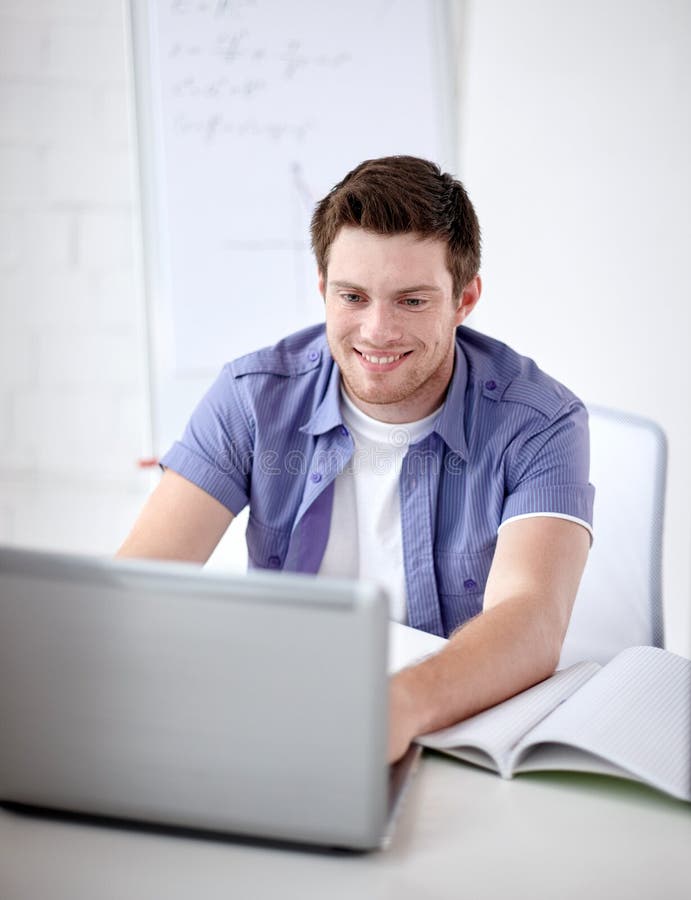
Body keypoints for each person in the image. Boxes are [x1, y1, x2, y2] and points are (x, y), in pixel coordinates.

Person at [117, 155, 593, 763]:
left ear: (465, 298)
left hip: (449, 725)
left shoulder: (541, 421)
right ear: (322, 290)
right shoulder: (252, 396)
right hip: (281, 716)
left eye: (413, 301)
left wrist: (397, 707)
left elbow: (532, 618)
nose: (376, 330)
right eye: (353, 296)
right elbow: (139, 586)